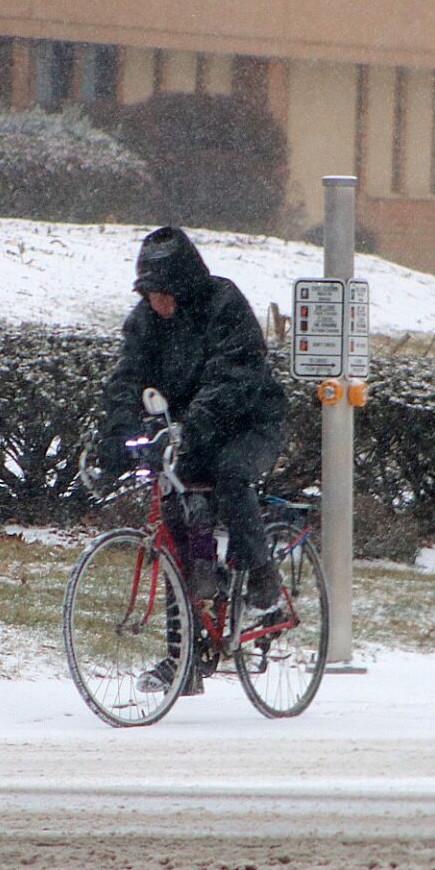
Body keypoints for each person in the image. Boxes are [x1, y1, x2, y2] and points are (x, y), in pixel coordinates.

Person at [98, 226, 288, 612]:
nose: (158, 305)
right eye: (151, 296)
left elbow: (232, 376)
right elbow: (128, 376)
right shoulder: (146, 320)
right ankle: (184, 652)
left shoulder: (223, 304)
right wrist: (118, 433)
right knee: (177, 525)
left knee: (231, 473)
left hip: (250, 421)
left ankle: (262, 571)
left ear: (185, 290)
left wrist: (190, 427)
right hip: (190, 429)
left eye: (165, 296)